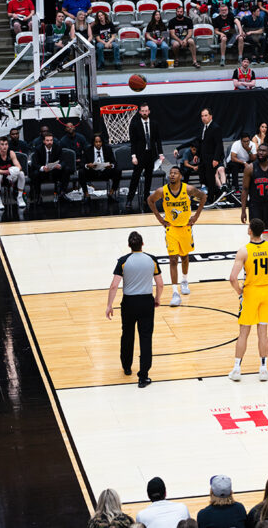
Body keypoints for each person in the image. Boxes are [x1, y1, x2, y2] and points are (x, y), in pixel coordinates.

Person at [227, 218, 268, 382]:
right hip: (266, 292)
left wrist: (239, 292)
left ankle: (237, 368)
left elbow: (232, 278)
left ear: (249, 231)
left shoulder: (243, 251)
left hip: (250, 293)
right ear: (263, 231)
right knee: (263, 333)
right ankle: (263, 369)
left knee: (243, 333)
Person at [105, 231, 162, 387]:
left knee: (127, 334)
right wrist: (157, 298)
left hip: (129, 303)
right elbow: (160, 283)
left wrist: (109, 305)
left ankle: (127, 367)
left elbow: (114, 285)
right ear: (142, 244)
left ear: (129, 245)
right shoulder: (152, 260)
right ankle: (143, 376)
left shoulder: (123, 261)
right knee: (146, 337)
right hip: (146, 302)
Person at [147, 166, 206, 308]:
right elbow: (150, 200)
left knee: (184, 257)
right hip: (171, 229)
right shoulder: (163, 191)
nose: (172, 175)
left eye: (175, 173)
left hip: (185, 227)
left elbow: (203, 196)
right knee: (173, 259)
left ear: (180, 176)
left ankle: (184, 281)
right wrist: (160, 219)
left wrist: (196, 216)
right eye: (171, 173)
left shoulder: (188, 189)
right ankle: (174, 292)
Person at [126, 104, 164, 209]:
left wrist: (160, 154)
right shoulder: (134, 124)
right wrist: (133, 156)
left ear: (149, 111)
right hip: (139, 155)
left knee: (148, 178)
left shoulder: (154, 124)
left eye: (146, 111)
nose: (144, 113)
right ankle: (129, 199)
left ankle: (146, 199)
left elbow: (158, 140)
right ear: (139, 112)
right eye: (142, 111)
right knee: (135, 177)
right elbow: (133, 142)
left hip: (150, 154)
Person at [241, 144, 268, 240]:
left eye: (263, 151)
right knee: (254, 234)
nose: (260, 153)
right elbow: (245, 190)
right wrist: (243, 210)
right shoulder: (250, 168)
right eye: (259, 150)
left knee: (267, 235)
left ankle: (264, 252)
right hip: (255, 205)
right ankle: (254, 253)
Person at [80, 134, 121, 201]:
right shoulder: (87, 150)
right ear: (93, 142)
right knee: (81, 172)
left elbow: (114, 162)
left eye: (100, 142)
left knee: (118, 170)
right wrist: (87, 165)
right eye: (96, 142)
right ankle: (86, 194)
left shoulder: (108, 149)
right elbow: (82, 163)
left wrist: (111, 165)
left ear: (102, 142)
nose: (98, 144)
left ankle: (111, 193)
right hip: (92, 172)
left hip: (105, 171)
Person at [0, 136, 27, 209]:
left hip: (10, 176)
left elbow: (19, 167)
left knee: (21, 174)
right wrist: (6, 171)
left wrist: (14, 171)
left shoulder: (11, 153)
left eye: (6, 144)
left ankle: (19, 197)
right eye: (2, 144)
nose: (4, 146)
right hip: (1, 177)